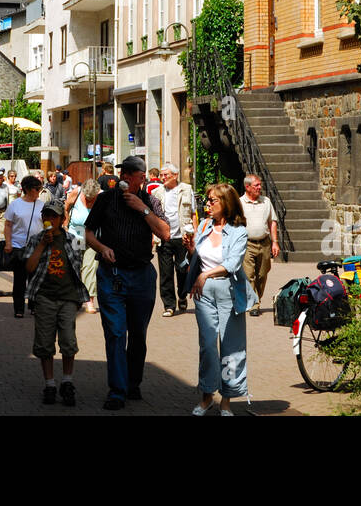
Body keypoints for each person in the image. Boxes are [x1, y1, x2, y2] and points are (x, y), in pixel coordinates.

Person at [84, 155, 169, 410]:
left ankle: (133, 383)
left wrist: (141, 209)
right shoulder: (105, 200)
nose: (126, 180)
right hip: (112, 275)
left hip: (141, 275)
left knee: (138, 335)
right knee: (116, 333)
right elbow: (88, 232)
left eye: (132, 177)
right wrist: (101, 247)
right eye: (125, 175)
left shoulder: (150, 201)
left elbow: (165, 233)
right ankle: (117, 390)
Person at [184, 184, 257, 415]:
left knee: (231, 349)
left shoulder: (239, 231)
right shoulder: (204, 226)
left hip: (229, 292)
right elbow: (197, 259)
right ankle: (207, 396)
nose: (208, 205)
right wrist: (191, 250)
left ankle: (227, 400)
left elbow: (232, 265)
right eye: (208, 200)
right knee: (207, 346)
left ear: (226, 203)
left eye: (213, 201)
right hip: (203, 293)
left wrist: (205, 274)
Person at [23, 201, 87, 406]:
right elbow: (29, 268)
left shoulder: (73, 239)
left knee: (68, 342)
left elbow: (82, 264)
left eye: (54, 216)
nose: (49, 219)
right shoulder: (35, 240)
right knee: (44, 343)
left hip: (68, 297)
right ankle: (49, 383)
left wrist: (81, 296)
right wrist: (43, 244)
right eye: (46, 216)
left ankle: (67, 382)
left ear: (62, 219)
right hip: (44, 297)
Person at [152, 163, 197, 316]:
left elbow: (193, 213)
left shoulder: (186, 189)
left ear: (175, 175)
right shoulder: (157, 192)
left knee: (182, 269)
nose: (163, 177)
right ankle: (169, 305)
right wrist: (153, 236)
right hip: (164, 237)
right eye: (162, 175)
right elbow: (153, 216)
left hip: (183, 237)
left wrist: (195, 235)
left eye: (166, 175)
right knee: (165, 273)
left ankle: (183, 295)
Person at [4, 175, 46, 318]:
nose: (39, 191)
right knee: (20, 279)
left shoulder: (42, 205)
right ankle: (19, 308)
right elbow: (8, 225)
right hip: (19, 246)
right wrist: (8, 243)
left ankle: (34, 306)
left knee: (36, 279)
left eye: (40, 188)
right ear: (27, 189)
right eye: (36, 189)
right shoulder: (15, 205)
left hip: (38, 247)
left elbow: (47, 224)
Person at [240, 173, 280, 316]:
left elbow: (272, 222)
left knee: (262, 274)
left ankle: (257, 298)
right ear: (247, 187)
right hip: (247, 244)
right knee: (249, 275)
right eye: (256, 185)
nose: (259, 187)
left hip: (264, 243)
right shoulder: (240, 203)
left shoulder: (266, 201)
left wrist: (275, 242)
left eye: (259, 184)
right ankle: (254, 304)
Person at [65, 178, 101, 313]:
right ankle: (75, 298)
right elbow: (66, 208)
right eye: (87, 197)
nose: (90, 200)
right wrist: (65, 225)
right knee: (76, 266)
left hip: (93, 234)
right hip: (77, 233)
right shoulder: (76, 192)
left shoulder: (101, 196)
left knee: (91, 267)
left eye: (92, 198)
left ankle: (89, 301)